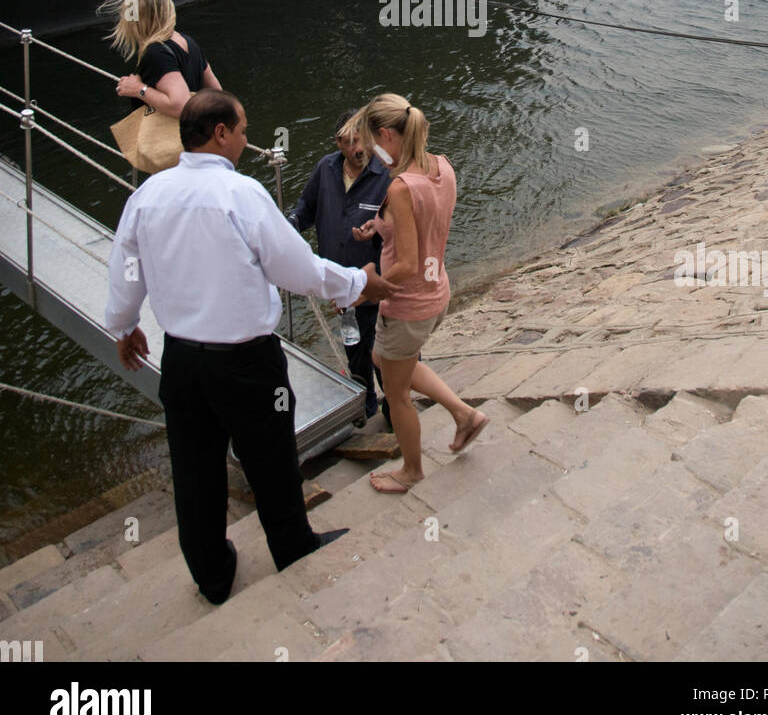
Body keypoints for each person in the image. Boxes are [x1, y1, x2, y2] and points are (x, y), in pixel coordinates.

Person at [106, 89, 394, 604]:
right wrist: (357, 283)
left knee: (194, 471)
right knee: (271, 460)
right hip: (245, 362)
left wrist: (124, 325)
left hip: (182, 361)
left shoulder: (146, 197)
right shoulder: (242, 194)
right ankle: (293, 550)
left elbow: (127, 269)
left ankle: (212, 575)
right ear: (220, 133)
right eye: (241, 130)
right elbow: (297, 270)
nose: (245, 139)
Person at [349, 93, 487, 493]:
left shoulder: (400, 189)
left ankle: (411, 470)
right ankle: (465, 415)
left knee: (396, 393)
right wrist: (381, 226)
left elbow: (407, 264)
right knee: (384, 357)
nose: (369, 153)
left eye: (371, 143)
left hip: (408, 303)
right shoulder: (441, 165)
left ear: (387, 135)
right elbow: (426, 221)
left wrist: (366, 287)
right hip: (438, 287)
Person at [289, 110, 391, 422]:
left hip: (376, 283)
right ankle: (365, 405)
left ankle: (394, 405)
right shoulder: (326, 168)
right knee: (354, 348)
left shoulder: (386, 174)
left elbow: (401, 228)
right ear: (338, 143)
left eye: (361, 141)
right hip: (341, 287)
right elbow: (305, 208)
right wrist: (287, 226)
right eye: (349, 143)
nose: (357, 149)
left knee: (383, 350)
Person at [100, 0, 221, 118]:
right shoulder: (187, 41)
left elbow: (180, 106)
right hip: (195, 136)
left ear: (138, 18)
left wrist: (138, 89)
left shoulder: (156, 52)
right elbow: (218, 95)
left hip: (173, 137)